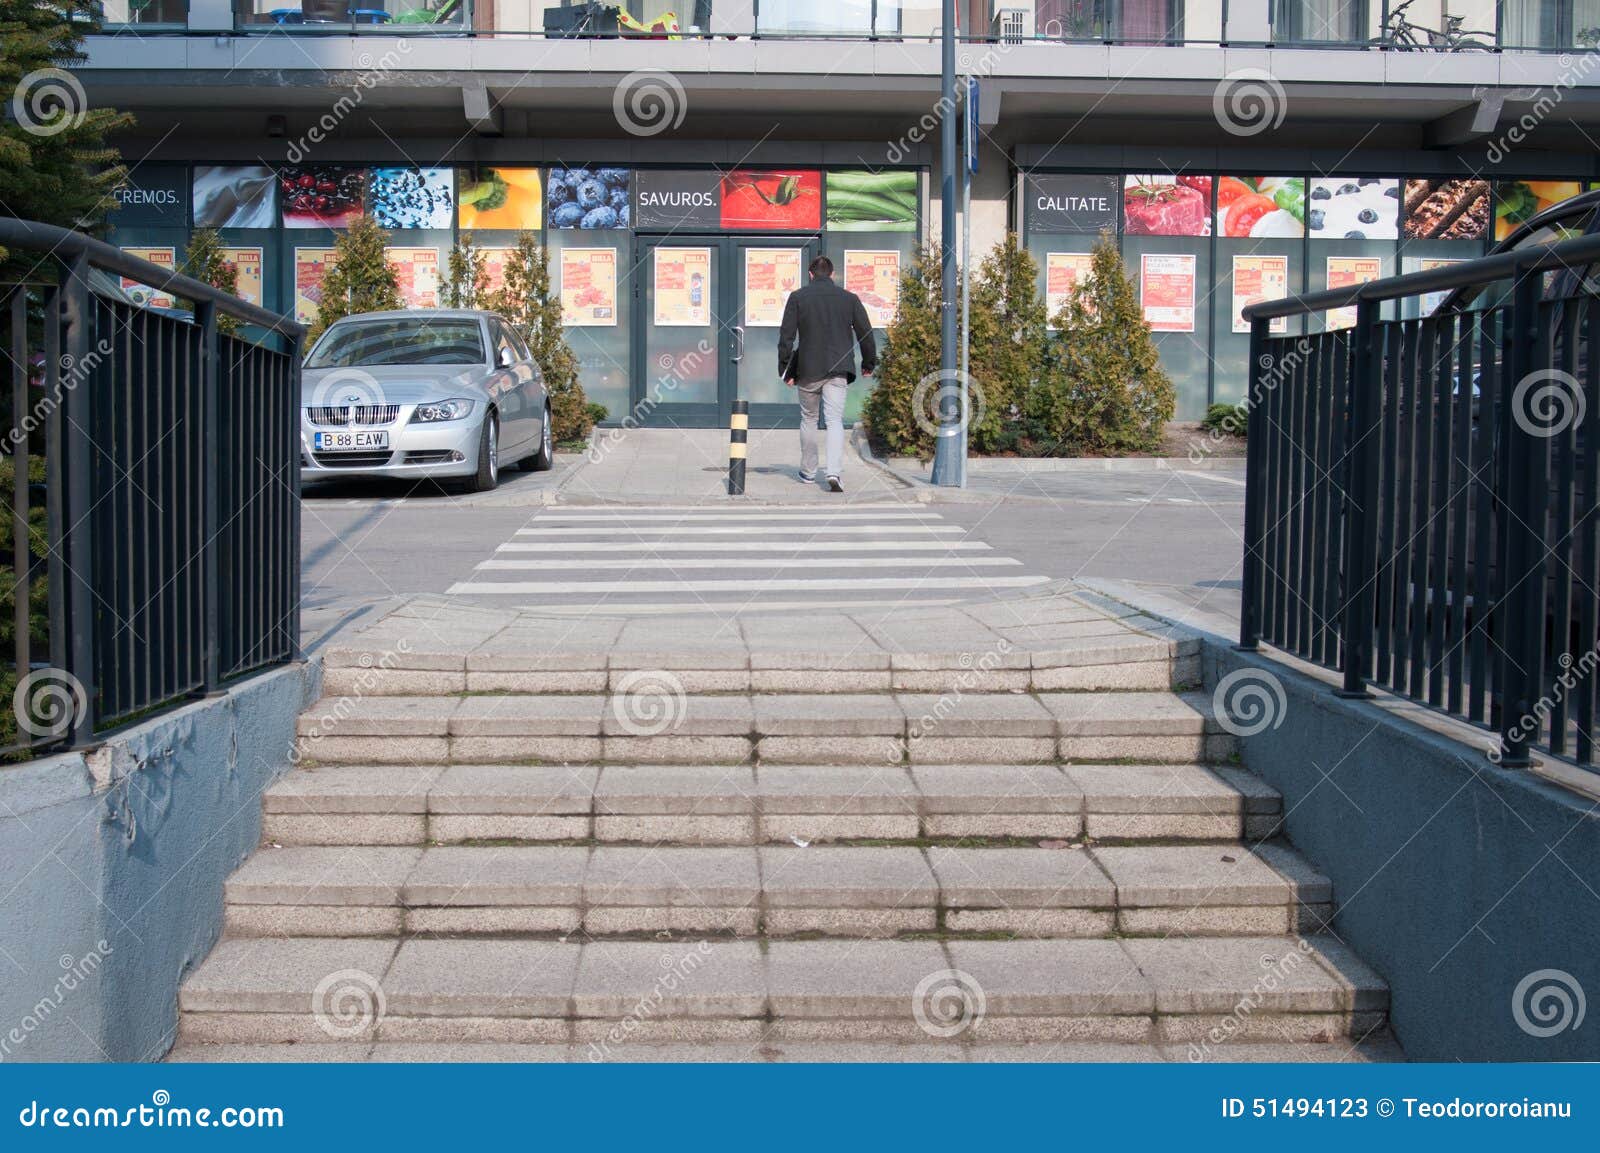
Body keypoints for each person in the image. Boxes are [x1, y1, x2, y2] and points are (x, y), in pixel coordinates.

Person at [777, 254, 876, 492]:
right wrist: (869, 363)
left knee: (809, 419)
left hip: (808, 370)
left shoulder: (798, 297)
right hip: (838, 369)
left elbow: (786, 336)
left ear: (810, 274)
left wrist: (785, 368)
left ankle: (809, 471)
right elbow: (866, 333)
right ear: (832, 274)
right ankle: (833, 472)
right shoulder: (849, 299)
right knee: (834, 420)